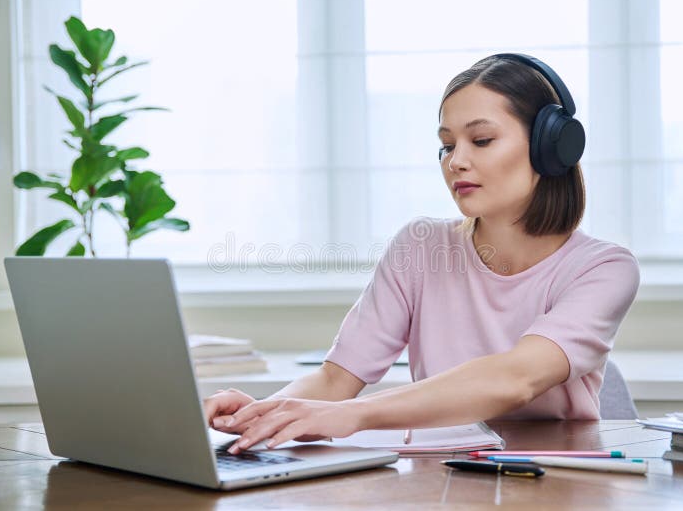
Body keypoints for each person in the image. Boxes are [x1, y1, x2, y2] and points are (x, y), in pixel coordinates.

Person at [204, 53, 640, 455]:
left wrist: (350, 416)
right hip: (440, 479)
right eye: (448, 145)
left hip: (556, 483)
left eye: (482, 140)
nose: (456, 162)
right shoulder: (419, 247)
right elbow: (337, 378)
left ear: (551, 147)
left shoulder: (603, 269)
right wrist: (262, 414)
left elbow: (516, 378)